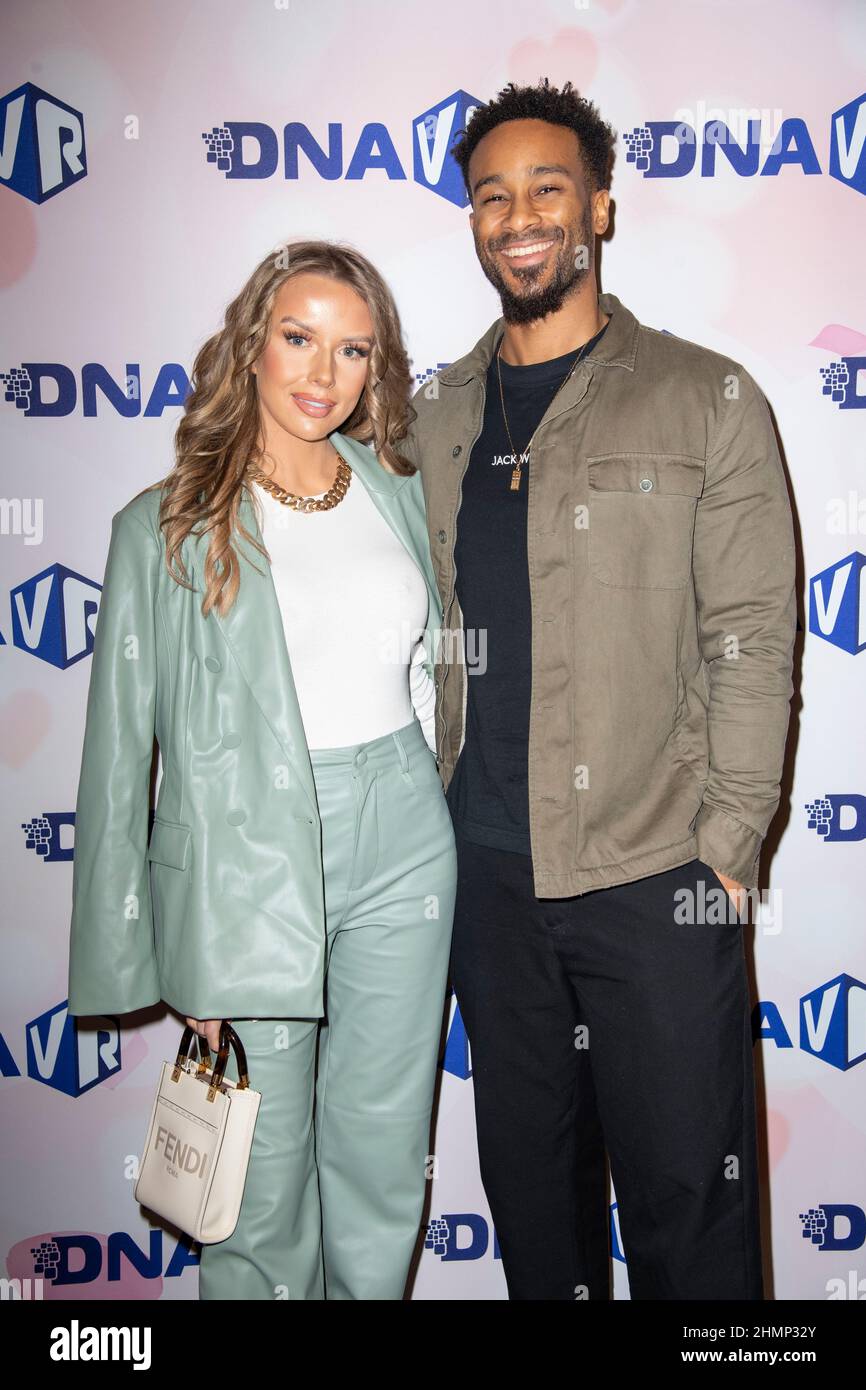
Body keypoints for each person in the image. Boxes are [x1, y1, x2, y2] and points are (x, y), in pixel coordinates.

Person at [402, 80, 797, 1300]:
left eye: (546, 188)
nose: (517, 216)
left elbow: (751, 634)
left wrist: (723, 849)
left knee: (695, 1223)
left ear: (600, 208)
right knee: (536, 1221)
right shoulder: (430, 414)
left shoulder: (703, 396)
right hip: (488, 882)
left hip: (654, 876)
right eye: (491, 195)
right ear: (471, 220)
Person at [67, 240, 457, 1300]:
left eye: (351, 351)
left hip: (401, 836)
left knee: (381, 1160)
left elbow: (426, 681)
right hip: (246, 867)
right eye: (297, 338)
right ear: (251, 344)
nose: (321, 374)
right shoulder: (165, 527)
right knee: (257, 1186)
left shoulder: (395, 495)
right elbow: (118, 765)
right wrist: (157, 946)